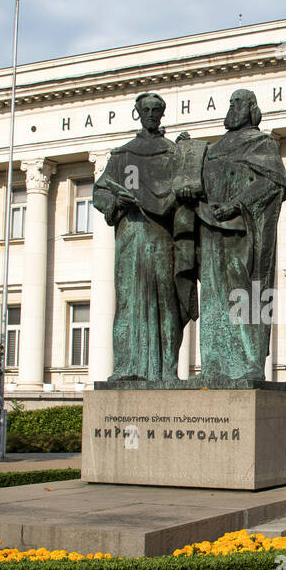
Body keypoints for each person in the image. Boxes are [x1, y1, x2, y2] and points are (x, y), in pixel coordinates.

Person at [92, 92, 198, 382]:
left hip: (161, 235)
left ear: (162, 114)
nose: (151, 114)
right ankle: (127, 366)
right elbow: (100, 192)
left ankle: (166, 370)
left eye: (156, 109)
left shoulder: (171, 153)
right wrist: (115, 204)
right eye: (146, 109)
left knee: (167, 302)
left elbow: (188, 188)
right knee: (128, 300)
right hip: (130, 236)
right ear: (137, 113)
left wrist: (188, 155)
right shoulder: (123, 154)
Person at [191, 89, 286, 381]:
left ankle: (249, 362)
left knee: (243, 292)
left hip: (242, 230)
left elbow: (274, 184)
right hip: (211, 227)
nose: (232, 107)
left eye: (238, 102)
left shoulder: (263, 143)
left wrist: (237, 204)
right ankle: (213, 366)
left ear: (251, 109)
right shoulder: (215, 148)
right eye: (230, 102)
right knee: (212, 293)